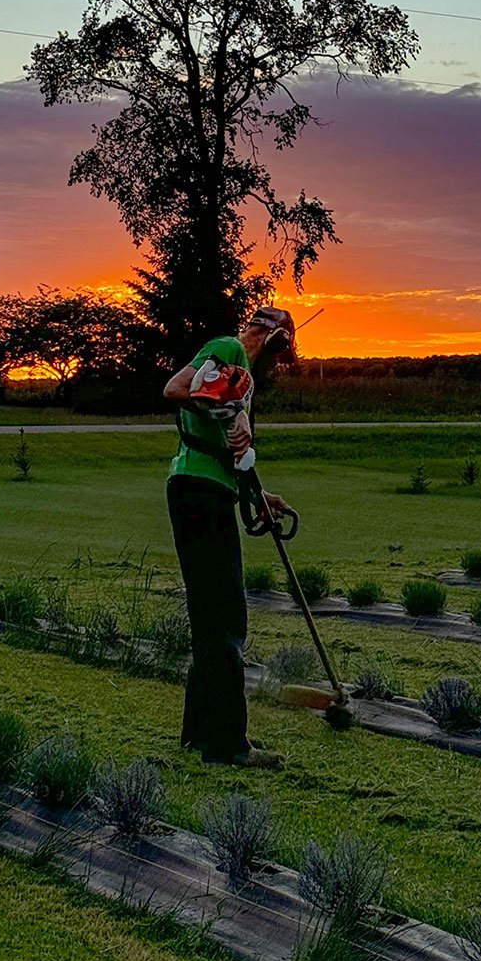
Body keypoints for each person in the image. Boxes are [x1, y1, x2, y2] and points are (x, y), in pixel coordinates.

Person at [163, 305, 297, 768]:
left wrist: (260, 496)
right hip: (200, 493)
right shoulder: (230, 349)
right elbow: (177, 388)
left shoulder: (240, 376)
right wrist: (224, 396)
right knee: (226, 619)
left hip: (202, 489)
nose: (279, 364)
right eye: (282, 353)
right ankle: (227, 745)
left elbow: (231, 450)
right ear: (275, 337)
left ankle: (198, 734)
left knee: (209, 619)